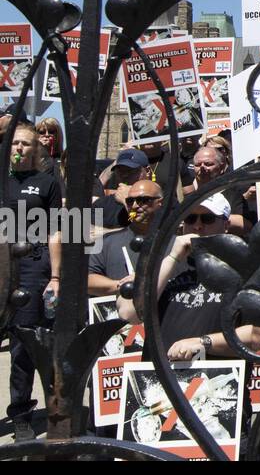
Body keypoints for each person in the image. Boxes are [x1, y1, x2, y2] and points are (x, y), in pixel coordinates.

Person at [2, 122, 63, 440]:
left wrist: (55, 276)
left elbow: (56, 230)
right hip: (2, 266)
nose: (19, 149)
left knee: (24, 346)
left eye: (26, 144)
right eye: (14, 144)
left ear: (36, 149)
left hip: (33, 268)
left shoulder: (47, 183)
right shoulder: (2, 181)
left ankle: (23, 417)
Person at [117, 193, 231, 354]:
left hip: (213, 373)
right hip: (160, 371)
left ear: (226, 225)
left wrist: (203, 343)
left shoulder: (238, 268)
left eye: (207, 219)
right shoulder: (163, 262)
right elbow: (130, 314)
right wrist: (173, 257)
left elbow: (255, 336)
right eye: (190, 218)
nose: (198, 226)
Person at [87, 180, 163, 297]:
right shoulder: (109, 242)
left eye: (143, 200)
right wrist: (122, 285)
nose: (135, 205)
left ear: (160, 202)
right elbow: (88, 279)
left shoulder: (173, 242)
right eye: (130, 201)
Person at [184, 145, 250, 234]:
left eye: (208, 164)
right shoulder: (187, 198)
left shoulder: (233, 196)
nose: (202, 167)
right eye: (198, 164)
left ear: (222, 167)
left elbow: (246, 225)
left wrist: (214, 217)